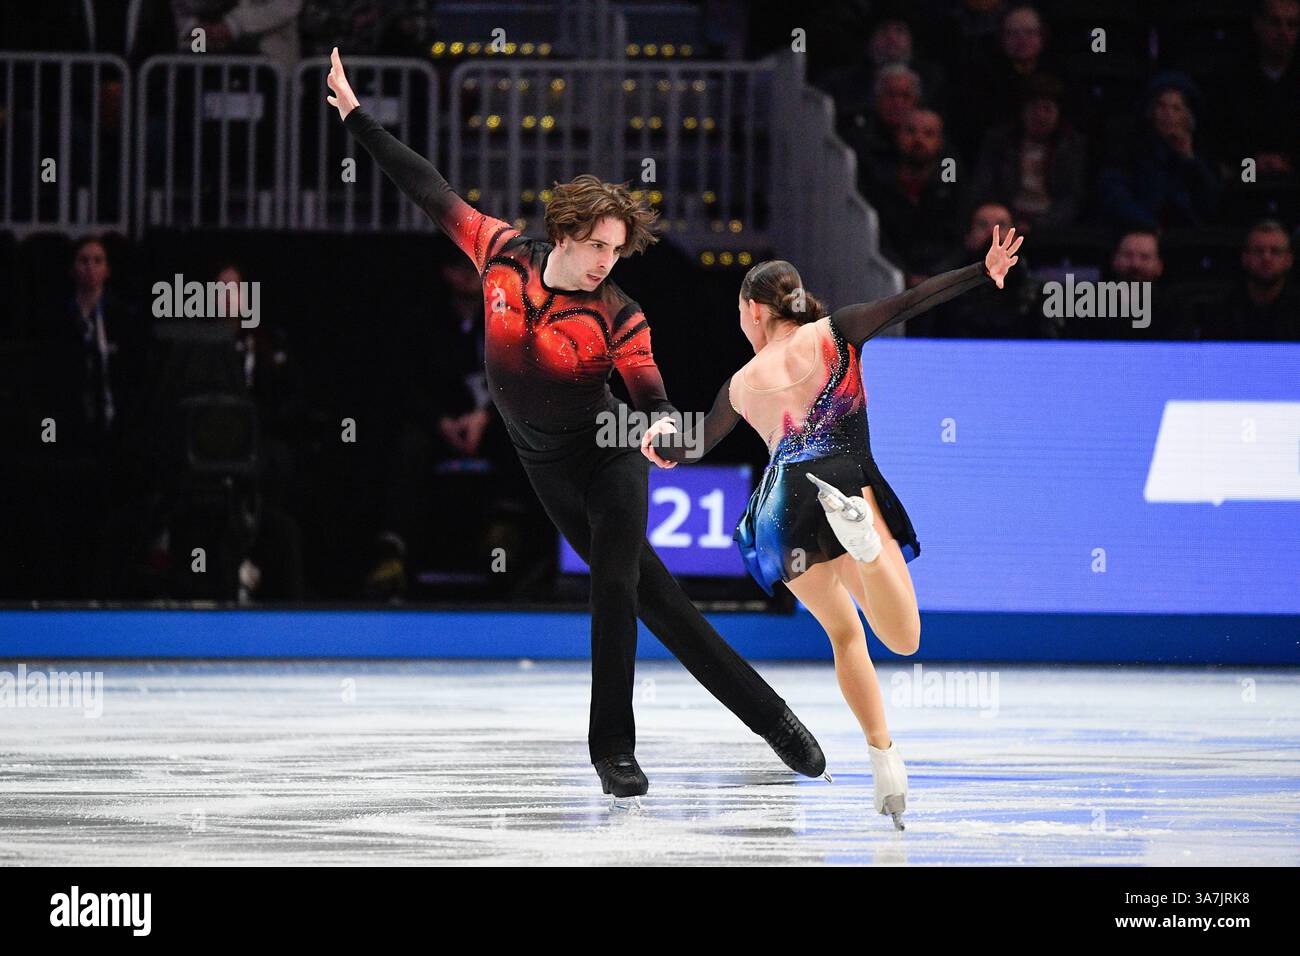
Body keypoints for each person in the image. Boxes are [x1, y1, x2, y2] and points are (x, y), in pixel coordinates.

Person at [325, 48, 825, 801]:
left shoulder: (619, 315)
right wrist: (357, 117)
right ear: (563, 232)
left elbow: (651, 395)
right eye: (596, 246)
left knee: (615, 588)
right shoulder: (497, 253)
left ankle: (612, 751)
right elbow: (426, 187)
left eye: (616, 251)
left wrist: (658, 427)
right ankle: (775, 720)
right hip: (544, 468)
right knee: (666, 607)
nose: (605, 262)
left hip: (608, 454)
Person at [641, 227, 1024, 828]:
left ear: (752, 310)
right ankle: (866, 547)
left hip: (779, 509)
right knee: (903, 638)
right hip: (845, 479)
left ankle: (883, 756)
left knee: (846, 636)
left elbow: (693, 447)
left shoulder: (740, 383)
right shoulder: (837, 332)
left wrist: (661, 444)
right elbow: (912, 301)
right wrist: (983, 269)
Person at [1203, 220, 1299, 340]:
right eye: (1259, 251)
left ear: (1288, 260)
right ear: (1245, 258)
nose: (1266, 258)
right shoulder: (1221, 312)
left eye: (1275, 252)